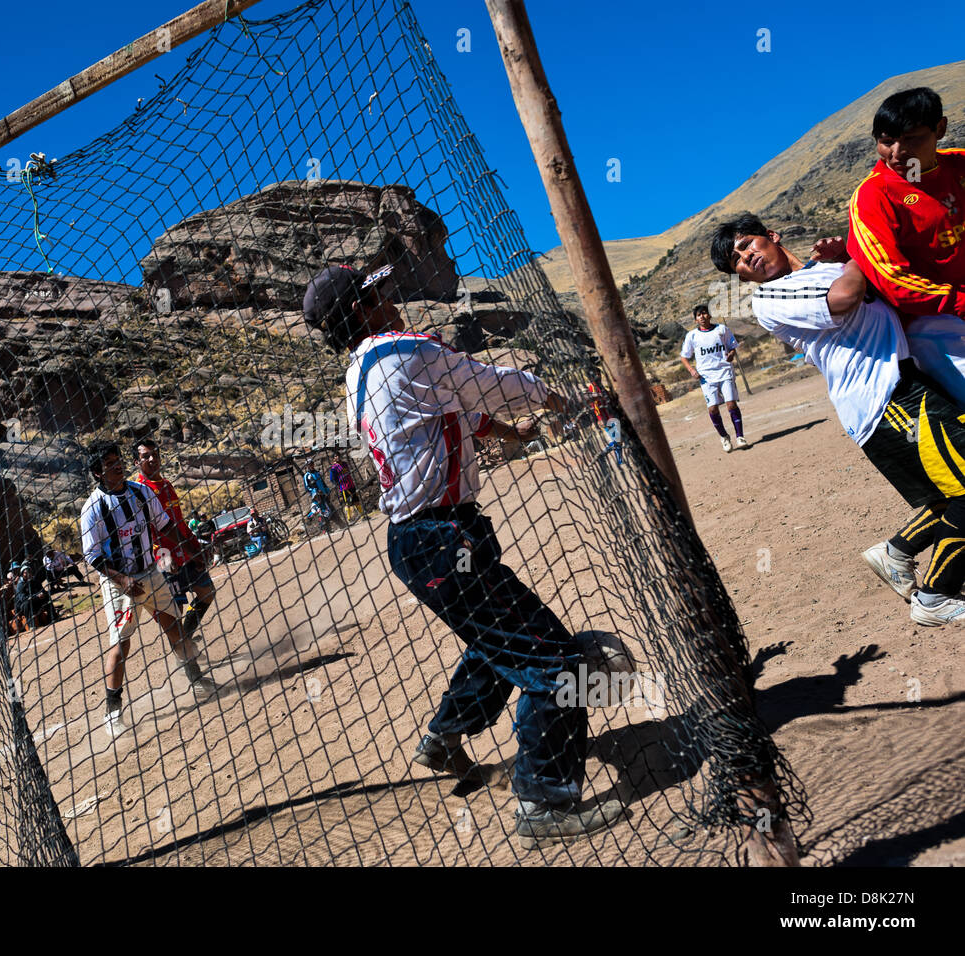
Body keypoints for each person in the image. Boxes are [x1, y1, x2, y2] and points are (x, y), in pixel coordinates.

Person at [302, 263, 625, 848]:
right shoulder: (403, 350)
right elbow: (488, 381)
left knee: (494, 638)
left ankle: (445, 737)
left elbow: (454, 410)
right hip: (442, 539)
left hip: (423, 543)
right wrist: (557, 398)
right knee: (557, 664)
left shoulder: (363, 371)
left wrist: (508, 433)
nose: (390, 296)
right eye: (375, 293)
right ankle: (543, 800)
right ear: (358, 310)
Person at [711, 213, 965, 625]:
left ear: (771, 235)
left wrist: (843, 257)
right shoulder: (771, 299)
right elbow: (845, 297)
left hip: (907, 382)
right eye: (737, 261)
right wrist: (858, 252)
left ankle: (896, 552)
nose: (746, 258)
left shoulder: (820, 269)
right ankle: (935, 596)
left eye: (747, 245)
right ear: (742, 278)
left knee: (947, 495)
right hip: (883, 398)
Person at [81, 441, 218, 739]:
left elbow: (166, 525)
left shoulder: (141, 492)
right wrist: (123, 581)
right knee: (121, 645)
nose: (117, 465)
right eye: (109, 463)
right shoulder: (93, 507)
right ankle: (113, 713)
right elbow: (92, 556)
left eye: (118, 460)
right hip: (119, 583)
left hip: (150, 573)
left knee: (174, 628)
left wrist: (192, 550)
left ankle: (196, 680)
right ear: (97, 473)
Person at [847, 87, 965, 319]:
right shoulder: (873, 196)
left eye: (911, 139)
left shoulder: (959, 163)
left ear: (940, 129)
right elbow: (893, 280)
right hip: (936, 321)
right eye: (887, 142)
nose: (897, 152)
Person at [132, 438, 216, 641]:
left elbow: (179, 522)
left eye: (155, 454)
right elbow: (141, 532)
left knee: (207, 593)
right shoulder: (138, 491)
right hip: (164, 559)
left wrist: (196, 550)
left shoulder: (167, 485)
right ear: (137, 462)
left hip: (184, 552)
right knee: (174, 610)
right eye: (146, 456)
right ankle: (188, 664)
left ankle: (186, 636)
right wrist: (160, 556)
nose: (152, 459)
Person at [680, 304, 747, 452]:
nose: (702, 317)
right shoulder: (692, 336)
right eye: (698, 315)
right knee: (713, 409)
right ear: (696, 319)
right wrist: (692, 370)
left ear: (709, 315)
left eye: (704, 313)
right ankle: (724, 436)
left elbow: (732, 346)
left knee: (731, 404)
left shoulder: (721, 330)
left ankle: (740, 437)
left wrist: (731, 354)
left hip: (724, 371)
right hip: (706, 377)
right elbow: (684, 357)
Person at [15, 562, 54, 629]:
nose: (28, 574)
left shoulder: (35, 581)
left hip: (35, 601)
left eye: (29, 572)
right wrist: (36, 596)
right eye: (25, 573)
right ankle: (31, 625)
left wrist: (43, 594)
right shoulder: (20, 585)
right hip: (23, 606)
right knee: (27, 603)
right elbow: (23, 599)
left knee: (47, 597)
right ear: (22, 574)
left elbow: (43, 590)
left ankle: (53, 617)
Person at [329, 456, 364, 521]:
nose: (337, 457)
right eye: (335, 456)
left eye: (338, 455)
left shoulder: (345, 464)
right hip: (344, 488)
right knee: (347, 503)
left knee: (356, 501)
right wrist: (338, 484)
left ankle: (363, 516)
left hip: (351, 485)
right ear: (334, 458)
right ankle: (349, 518)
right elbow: (332, 478)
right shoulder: (334, 468)